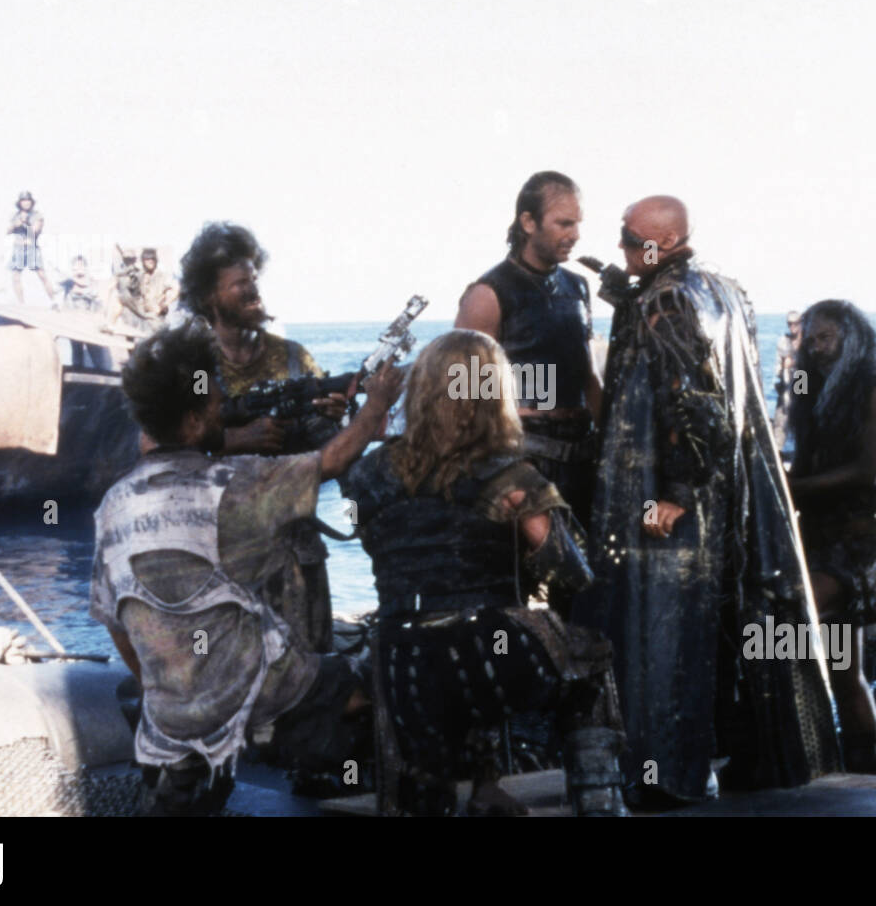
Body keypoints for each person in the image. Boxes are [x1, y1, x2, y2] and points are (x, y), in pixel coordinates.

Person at [572, 195, 840, 807]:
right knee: (721, 632)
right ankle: (743, 763)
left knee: (661, 635)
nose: (620, 246)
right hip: (729, 505)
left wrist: (672, 495)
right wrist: (624, 291)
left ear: (660, 245)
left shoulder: (666, 300)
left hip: (673, 513)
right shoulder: (720, 290)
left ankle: (665, 775)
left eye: (629, 239)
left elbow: (693, 401)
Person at [89, 318, 403, 815]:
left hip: (172, 722)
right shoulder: (238, 486)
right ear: (192, 421)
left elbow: (118, 625)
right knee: (387, 682)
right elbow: (332, 462)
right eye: (213, 399)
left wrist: (168, 691)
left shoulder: (112, 506)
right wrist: (377, 406)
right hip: (266, 700)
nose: (222, 405)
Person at [340, 329, 628, 816]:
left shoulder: (369, 472)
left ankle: (476, 787)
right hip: (490, 654)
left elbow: (363, 533)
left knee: (437, 671)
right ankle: (600, 804)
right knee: (586, 659)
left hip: (400, 659)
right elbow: (573, 572)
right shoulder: (511, 476)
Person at [177, 222, 348, 658]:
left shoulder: (292, 358)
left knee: (312, 671)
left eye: (254, 279)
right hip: (222, 555)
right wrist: (235, 439)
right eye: (239, 284)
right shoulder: (197, 370)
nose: (253, 290)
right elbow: (171, 447)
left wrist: (333, 416)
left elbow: (326, 458)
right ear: (209, 298)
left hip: (295, 550)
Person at [787, 300, 876, 773]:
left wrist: (789, 487)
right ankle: (859, 776)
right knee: (844, 673)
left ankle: (827, 765)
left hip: (859, 546)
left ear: (851, 340)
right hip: (815, 540)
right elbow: (805, 465)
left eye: (826, 339)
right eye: (810, 340)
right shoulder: (812, 396)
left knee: (792, 621)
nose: (816, 349)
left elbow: (866, 472)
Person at [454, 171, 600, 527]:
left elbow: (587, 376)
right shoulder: (488, 294)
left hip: (581, 452)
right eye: (564, 223)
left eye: (577, 223)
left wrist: (617, 440)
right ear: (528, 222)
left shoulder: (577, 287)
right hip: (521, 455)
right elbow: (464, 395)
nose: (575, 234)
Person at [108, 246, 178, 333]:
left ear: (156, 261)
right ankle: (110, 325)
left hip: (154, 314)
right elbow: (121, 273)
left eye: (153, 259)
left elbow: (176, 288)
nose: (150, 261)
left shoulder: (162, 275)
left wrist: (165, 303)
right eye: (147, 259)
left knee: (160, 335)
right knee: (118, 296)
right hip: (140, 307)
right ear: (143, 261)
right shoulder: (139, 271)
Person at [7, 191, 56, 305]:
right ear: (20, 203)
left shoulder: (37, 215)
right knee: (15, 276)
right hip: (18, 247)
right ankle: (21, 303)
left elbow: (35, 231)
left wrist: (25, 223)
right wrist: (15, 225)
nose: (26, 203)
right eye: (23, 200)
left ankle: (54, 300)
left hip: (31, 247)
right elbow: (8, 231)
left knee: (42, 274)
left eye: (28, 200)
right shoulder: (15, 215)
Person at [771, 309, 802, 449]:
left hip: (802, 378)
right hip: (786, 381)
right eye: (790, 323)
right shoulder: (783, 341)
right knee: (781, 418)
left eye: (795, 323)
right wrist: (781, 372)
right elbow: (778, 365)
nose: (792, 326)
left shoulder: (807, 340)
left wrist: (794, 362)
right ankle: (777, 450)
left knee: (801, 415)